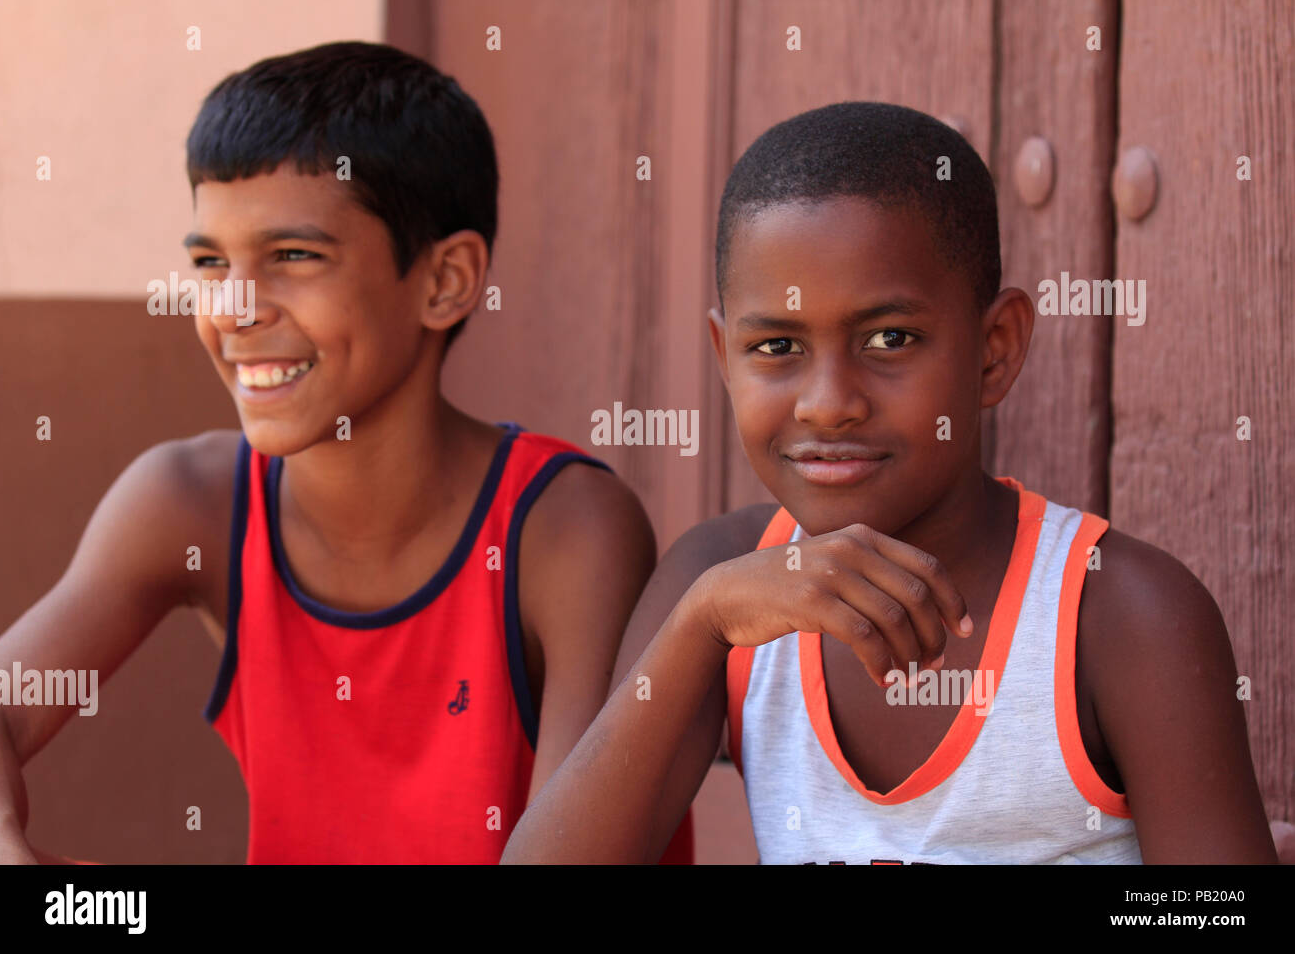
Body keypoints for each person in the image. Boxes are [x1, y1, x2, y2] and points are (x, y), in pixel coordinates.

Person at [501, 102, 1278, 864]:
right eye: (776, 346)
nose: (828, 402)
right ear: (723, 355)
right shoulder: (721, 583)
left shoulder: (1118, 614)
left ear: (994, 349)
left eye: (889, 338)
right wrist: (699, 624)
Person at [0, 41, 693, 864]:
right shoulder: (192, 500)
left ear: (446, 282)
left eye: (293, 258)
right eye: (212, 263)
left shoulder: (565, 529)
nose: (235, 309)